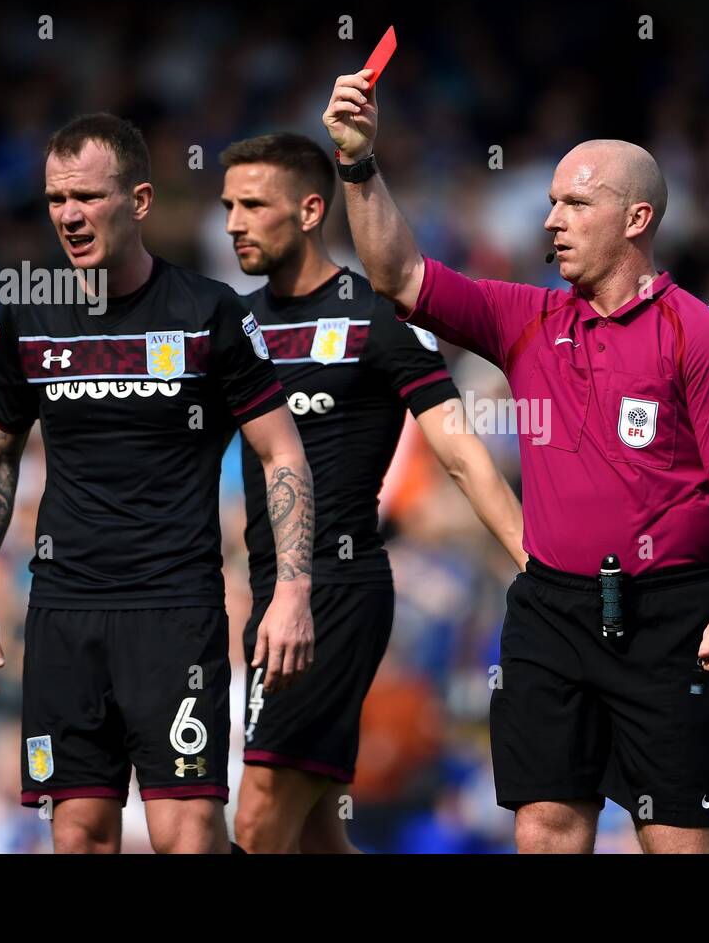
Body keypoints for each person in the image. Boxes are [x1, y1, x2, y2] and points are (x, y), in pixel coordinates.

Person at [323, 69, 709, 854]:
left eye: (575, 203)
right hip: (550, 612)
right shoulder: (525, 317)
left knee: (679, 840)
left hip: (669, 617)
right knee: (545, 828)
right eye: (553, 201)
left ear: (637, 218)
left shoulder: (697, 335)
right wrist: (360, 162)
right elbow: (398, 274)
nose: (552, 219)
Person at [0, 114, 315, 854]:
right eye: (55, 199)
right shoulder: (31, 312)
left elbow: (282, 453)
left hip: (174, 609)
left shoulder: (208, 312)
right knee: (80, 831)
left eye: (86, 196)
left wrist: (293, 591)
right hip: (64, 609)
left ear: (140, 200)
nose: (68, 215)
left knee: (185, 834)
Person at [218, 132, 526, 853]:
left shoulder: (377, 317)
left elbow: (461, 455)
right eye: (227, 204)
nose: (232, 221)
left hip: (336, 591)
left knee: (260, 817)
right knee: (319, 830)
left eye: (253, 204)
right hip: (268, 591)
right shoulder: (234, 323)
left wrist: (531, 559)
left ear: (309, 210)